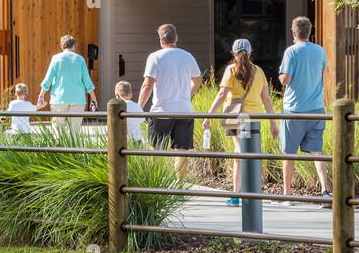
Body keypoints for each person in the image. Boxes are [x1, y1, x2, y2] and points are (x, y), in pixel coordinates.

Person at [203, 38, 277, 206]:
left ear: (233, 53)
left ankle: (237, 195)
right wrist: (273, 123)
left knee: (239, 153)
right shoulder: (259, 71)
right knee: (247, 153)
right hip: (253, 117)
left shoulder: (231, 70)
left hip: (237, 116)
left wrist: (209, 115)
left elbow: (222, 95)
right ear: (250, 52)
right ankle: (251, 192)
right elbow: (266, 99)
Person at [138, 23, 202, 179]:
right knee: (181, 151)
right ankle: (178, 187)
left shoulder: (155, 57)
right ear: (177, 38)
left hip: (161, 111)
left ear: (160, 40)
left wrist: (138, 107)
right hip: (184, 111)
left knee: (155, 149)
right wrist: (187, 94)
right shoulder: (188, 56)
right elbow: (198, 80)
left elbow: (148, 85)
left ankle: (154, 183)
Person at [278, 16, 330, 201]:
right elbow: (324, 71)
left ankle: (288, 194)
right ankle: (324, 190)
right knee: (317, 150)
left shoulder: (291, 52)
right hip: (316, 108)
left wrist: (281, 76)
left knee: (289, 153)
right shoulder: (320, 51)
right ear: (310, 31)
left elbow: (285, 80)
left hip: (294, 109)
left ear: (294, 32)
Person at [36, 35, 98, 115]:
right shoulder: (80, 59)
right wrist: (93, 98)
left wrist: (41, 96)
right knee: (74, 128)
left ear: (62, 46)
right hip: (78, 99)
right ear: (73, 46)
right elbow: (87, 82)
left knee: (58, 127)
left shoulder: (56, 58)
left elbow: (48, 79)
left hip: (59, 99)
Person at [115, 80, 144, 144]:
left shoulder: (117, 107)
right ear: (131, 94)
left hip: (123, 139)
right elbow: (142, 119)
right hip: (137, 138)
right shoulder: (137, 106)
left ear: (117, 95)